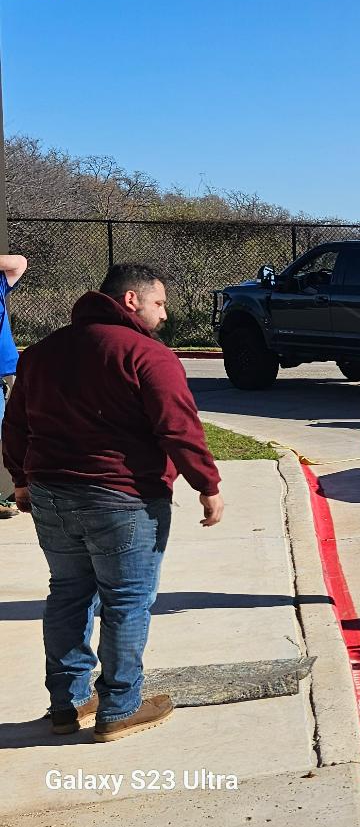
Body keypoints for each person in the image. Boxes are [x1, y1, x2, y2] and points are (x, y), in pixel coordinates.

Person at [3, 263, 224, 743]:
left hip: (50, 495)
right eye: (159, 303)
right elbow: (178, 426)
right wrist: (206, 484)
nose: (164, 315)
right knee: (126, 602)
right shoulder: (148, 354)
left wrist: (21, 480)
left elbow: (16, 424)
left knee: (67, 593)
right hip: (123, 498)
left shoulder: (41, 352)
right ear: (130, 301)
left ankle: (68, 704)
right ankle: (119, 707)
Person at [0, 251, 25, 519]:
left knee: (11, 433)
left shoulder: (1, 280)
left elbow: (19, 262)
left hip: (5, 368)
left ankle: (11, 490)